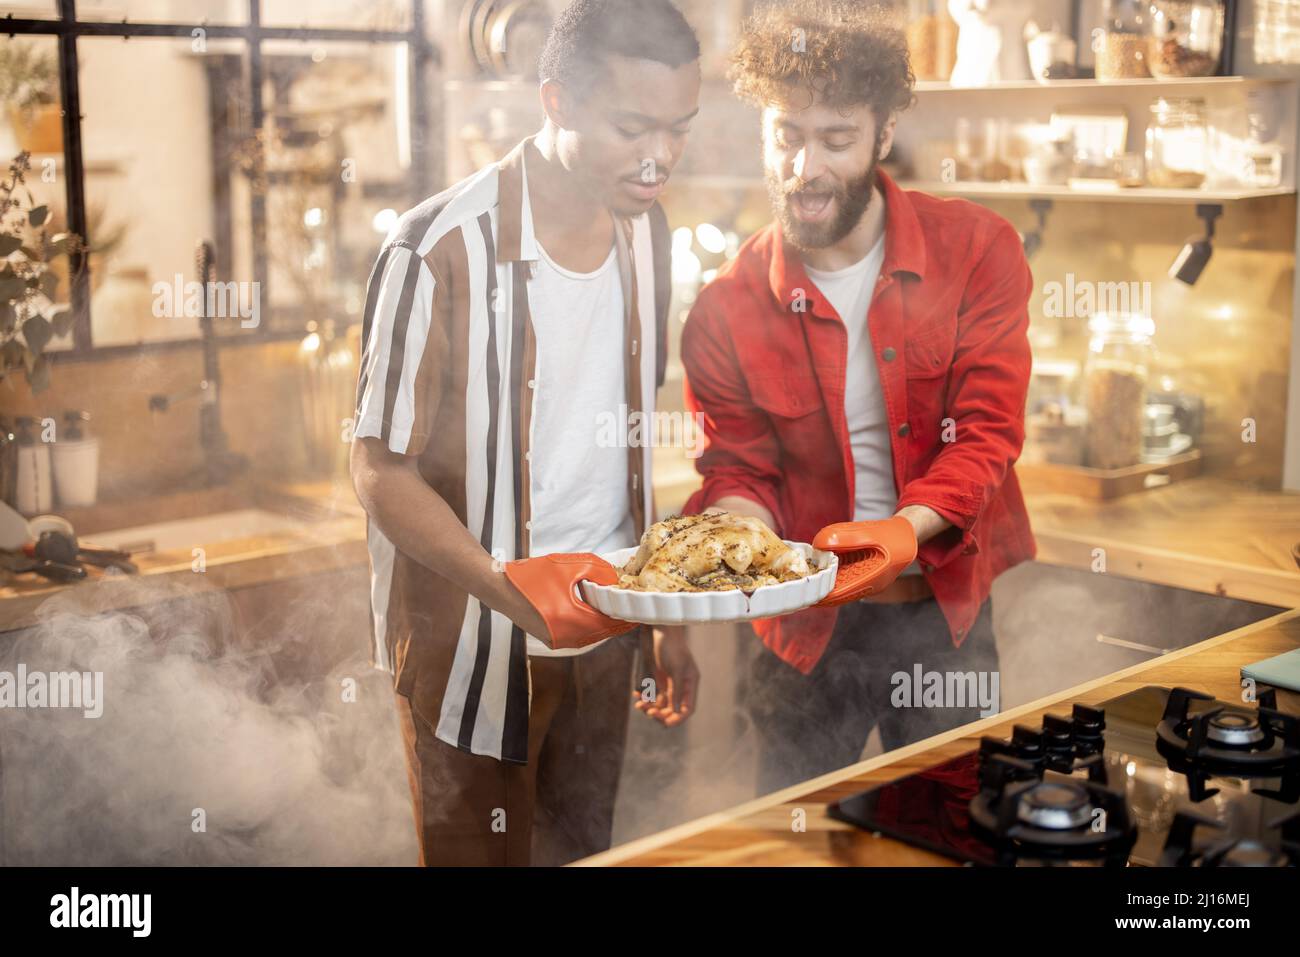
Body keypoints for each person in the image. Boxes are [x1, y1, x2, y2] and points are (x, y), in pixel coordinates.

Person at [350, 0, 702, 866]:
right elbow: (379, 467)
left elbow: (622, 436)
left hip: (609, 624)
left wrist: (661, 603)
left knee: (587, 855)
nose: (659, 157)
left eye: (678, 129)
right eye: (632, 127)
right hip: (471, 640)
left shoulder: (650, 234)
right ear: (556, 101)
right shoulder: (433, 249)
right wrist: (508, 587)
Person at [680, 1, 1036, 795]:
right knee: (800, 836)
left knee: (959, 826)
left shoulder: (979, 251)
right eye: (786, 136)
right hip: (801, 636)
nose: (806, 168)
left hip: (939, 617)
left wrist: (900, 536)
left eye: (836, 140)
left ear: (881, 136)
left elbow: (984, 435)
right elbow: (738, 467)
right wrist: (746, 539)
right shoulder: (724, 309)